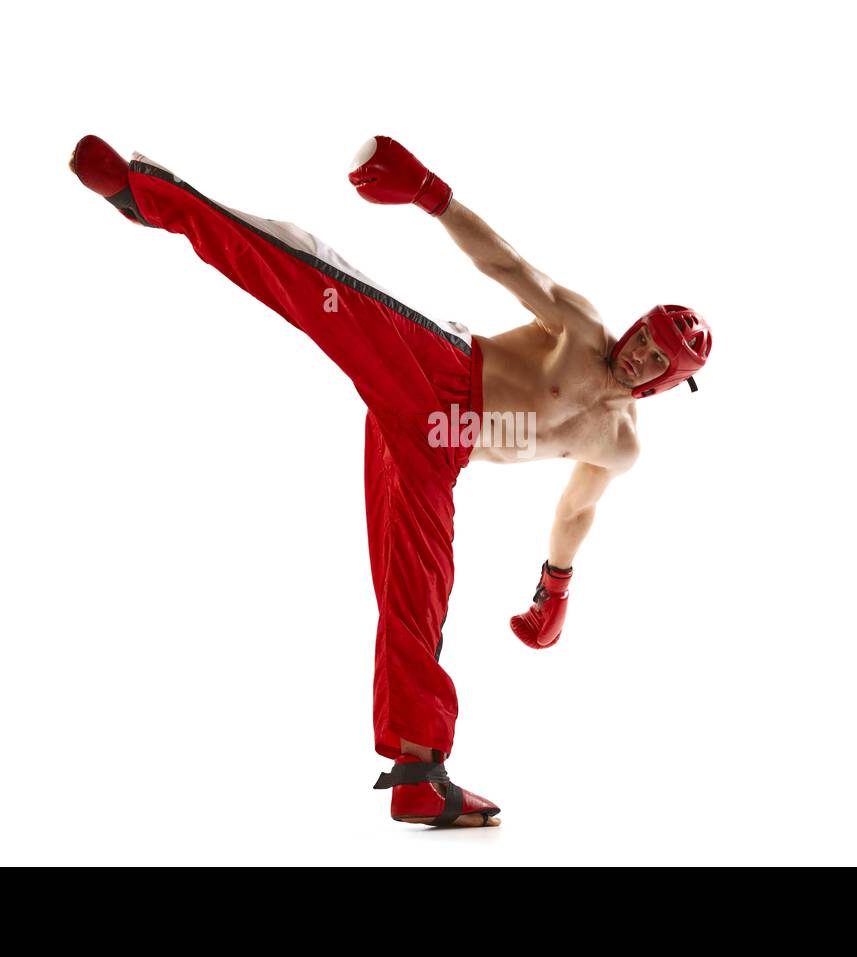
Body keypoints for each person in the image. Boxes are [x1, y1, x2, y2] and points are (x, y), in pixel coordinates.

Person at [69, 134, 712, 827]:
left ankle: (419, 772)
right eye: (645, 336)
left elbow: (577, 510)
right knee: (318, 272)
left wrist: (554, 585)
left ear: (669, 382)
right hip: (435, 363)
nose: (640, 354)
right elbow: (506, 265)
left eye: (657, 359)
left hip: (439, 447)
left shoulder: (617, 443)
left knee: (421, 592)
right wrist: (432, 195)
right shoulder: (583, 329)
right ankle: (152, 197)